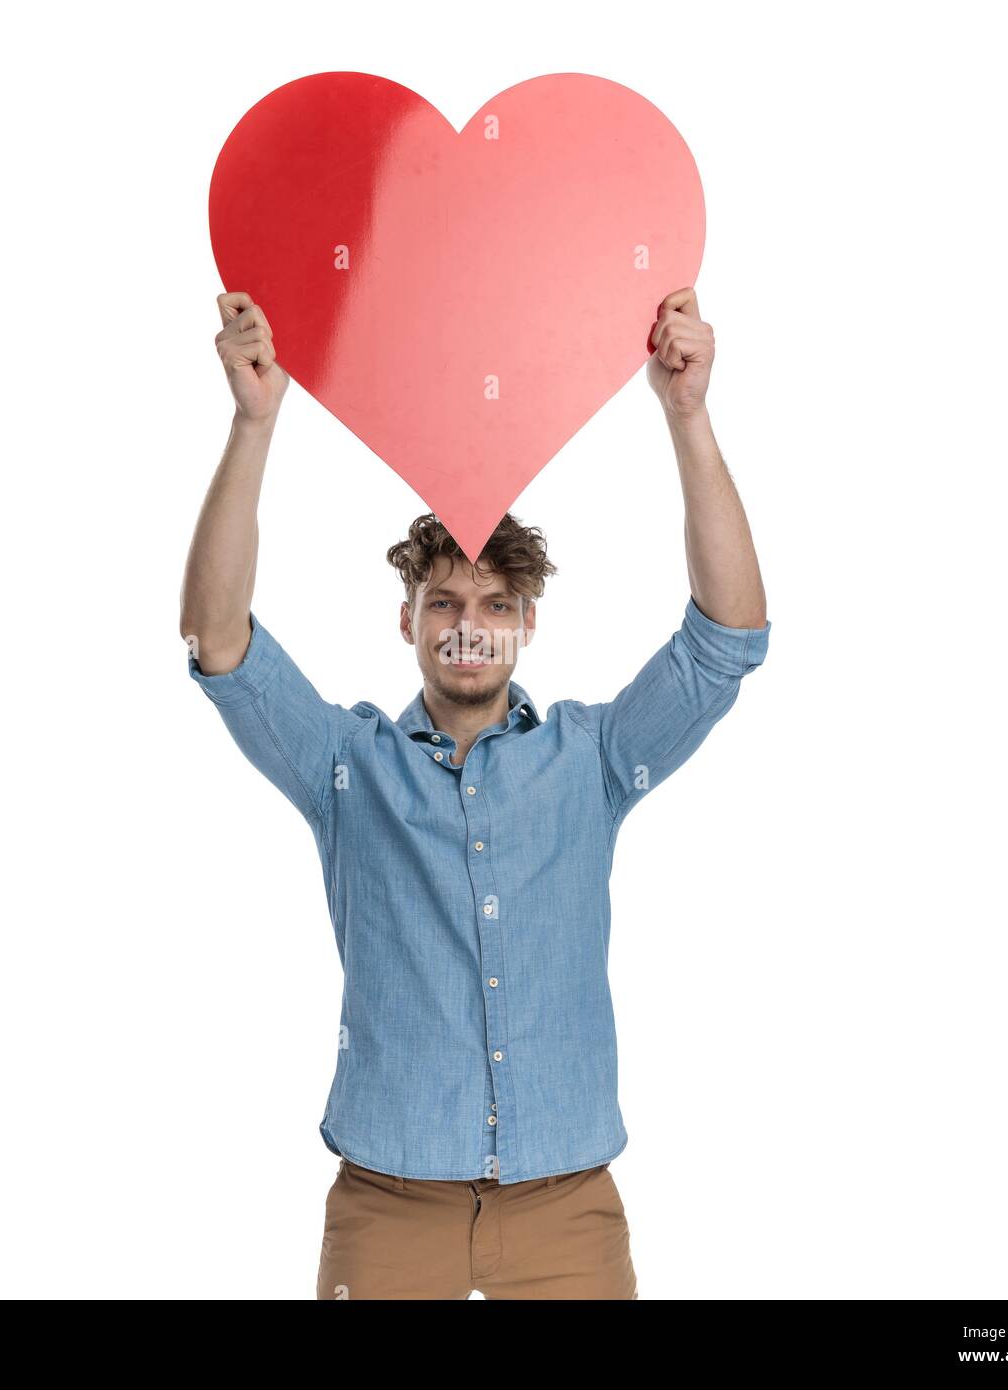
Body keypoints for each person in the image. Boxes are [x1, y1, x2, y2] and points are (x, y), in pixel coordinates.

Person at [181, 287, 770, 1299]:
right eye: (443, 601)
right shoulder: (345, 765)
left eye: (496, 604)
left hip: (567, 1209)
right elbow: (219, 641)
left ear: (527, 622)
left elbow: (727, 642)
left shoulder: (589, 760)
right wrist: (254, 422)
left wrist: (688, 416)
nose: (469, 623)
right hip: (387, 1207)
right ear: (404, 617)